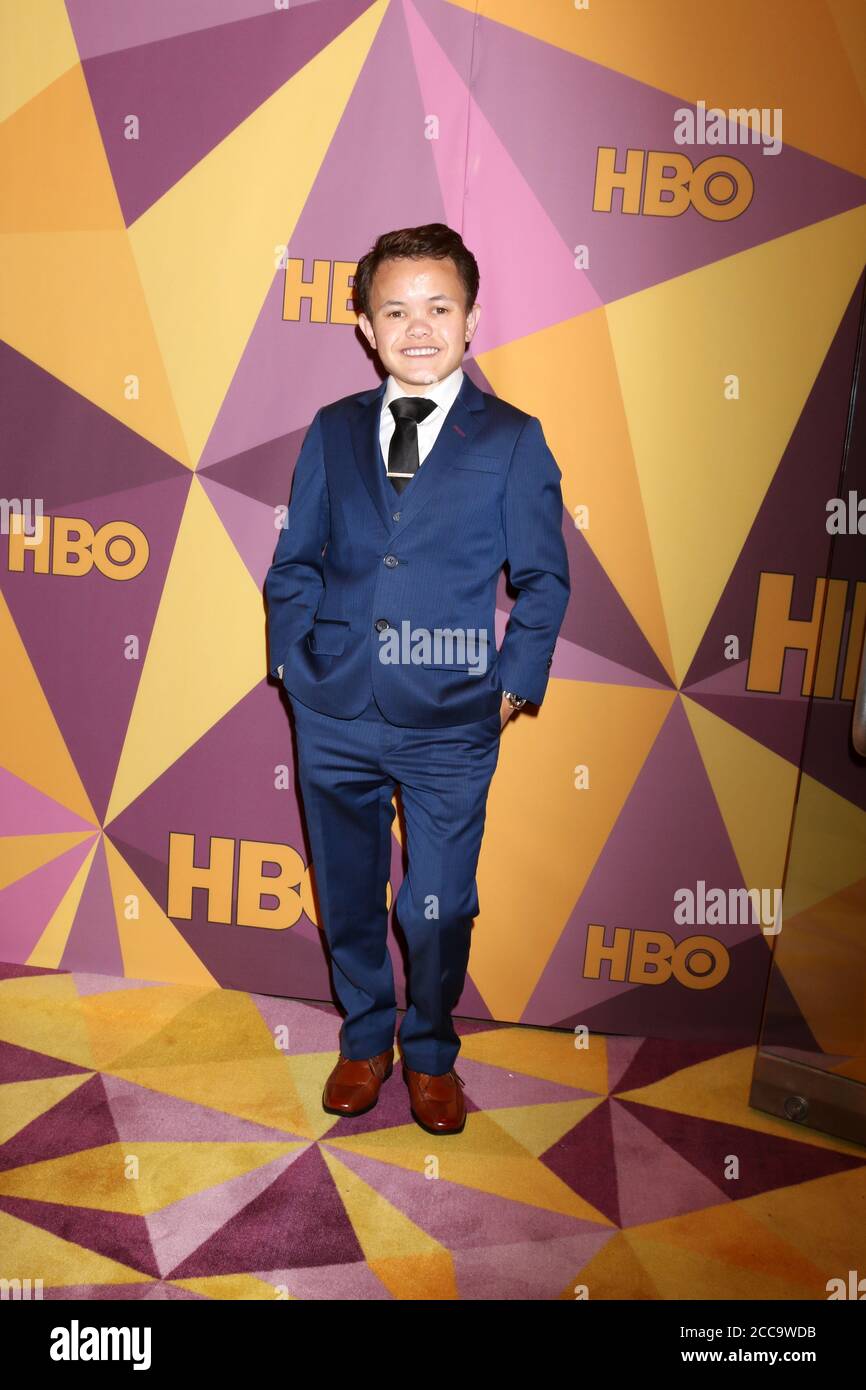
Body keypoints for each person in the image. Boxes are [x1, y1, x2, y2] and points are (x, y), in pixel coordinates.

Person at [265, 223, 570, 1135]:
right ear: (365, 326)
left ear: (471, 320)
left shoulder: (513, 439)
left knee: (438, 905)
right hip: (334, 707)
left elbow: (545, 579)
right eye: (395, 309)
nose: (419, 326)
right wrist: (292, 659)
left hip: (451, 717)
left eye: (439, 307)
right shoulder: (332, 430)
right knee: (348, 891)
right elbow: (296, 562)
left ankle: (432, 1050)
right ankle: (366, 1039)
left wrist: (512, 685)